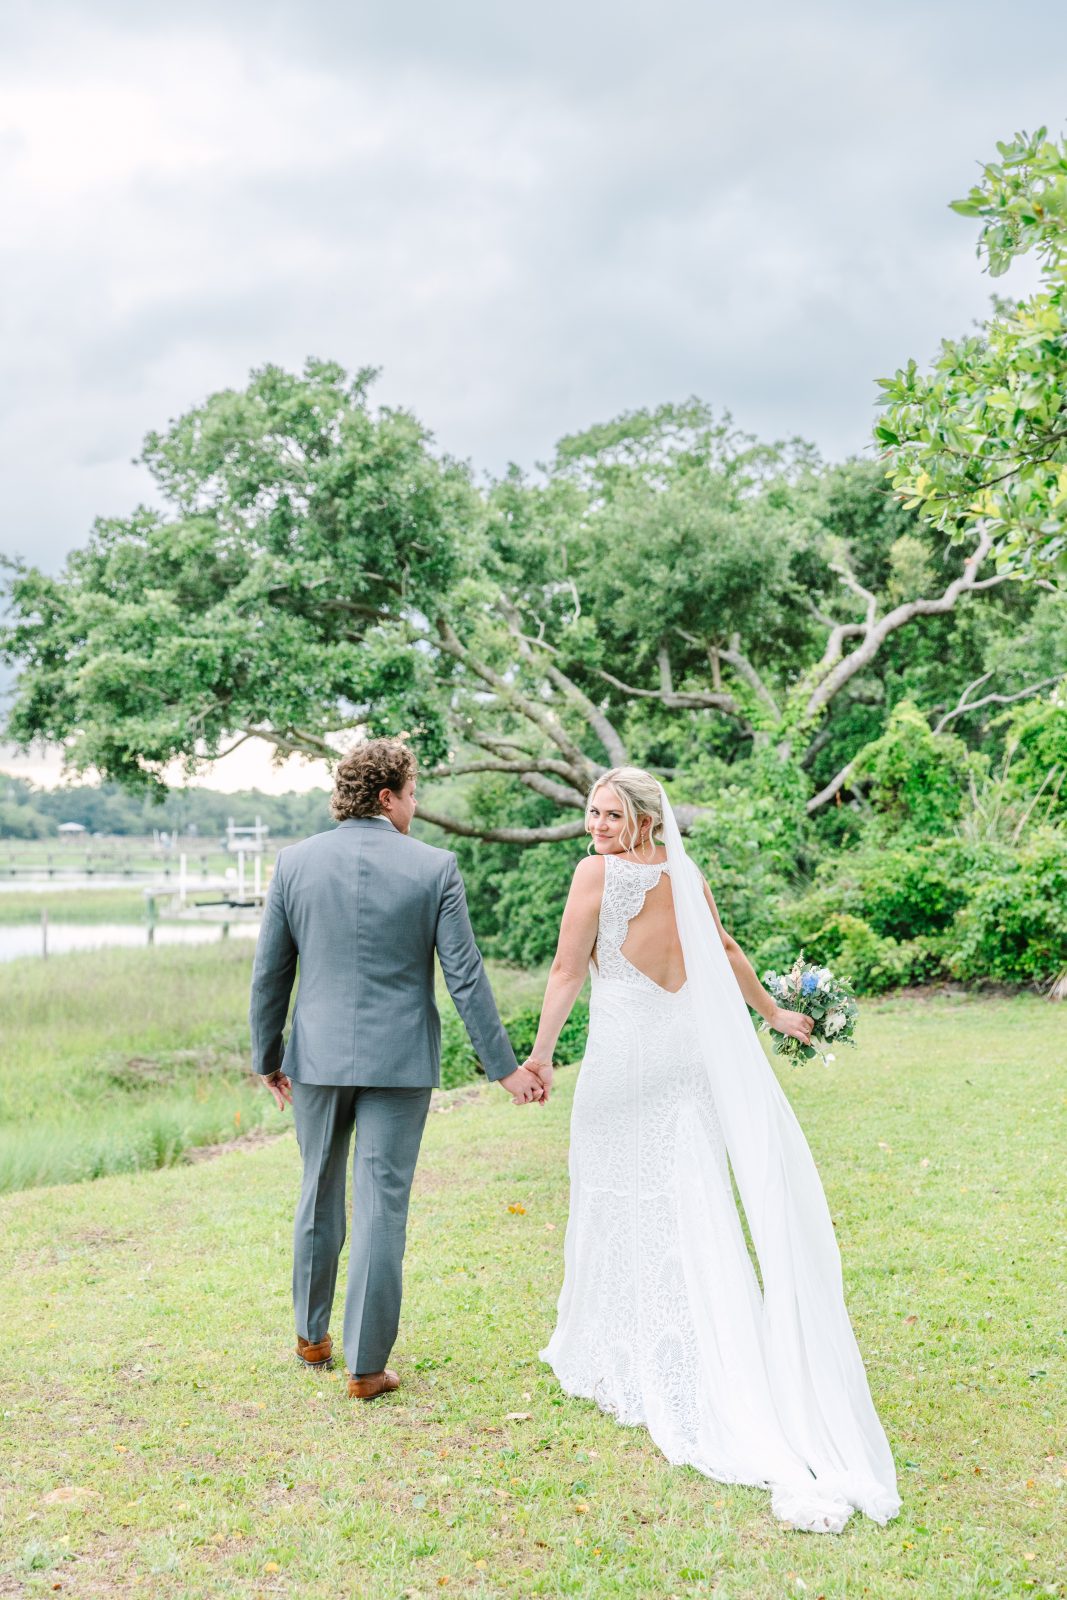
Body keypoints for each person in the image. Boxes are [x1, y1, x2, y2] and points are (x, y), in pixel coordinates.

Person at [522, 767, 901, 1533]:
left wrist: (538, 1056)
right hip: (686, 1058)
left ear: (641, 819)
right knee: (688, 1198)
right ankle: (665, 1335)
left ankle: (623, 1348)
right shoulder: (684, 875)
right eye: (590, 813)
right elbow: (723, 951)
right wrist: (772, 1014)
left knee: (613, 1192)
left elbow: (567, 970)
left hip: (627, 1058)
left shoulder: (595, 875)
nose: (593, 826)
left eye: (607, 814)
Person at [249, 738, 544, 1400]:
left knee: (317, 1187)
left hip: (317, 1060)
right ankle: (366, 1370)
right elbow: (464, 977)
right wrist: (501, 1067)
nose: (417, 806)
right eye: (413, 793)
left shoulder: (294, 864)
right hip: (400, 1062)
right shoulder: (435, 867)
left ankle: (311, 1338)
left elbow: (270, 972)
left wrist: (267, 1057)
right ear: (387, 796)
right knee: (382, 1205)